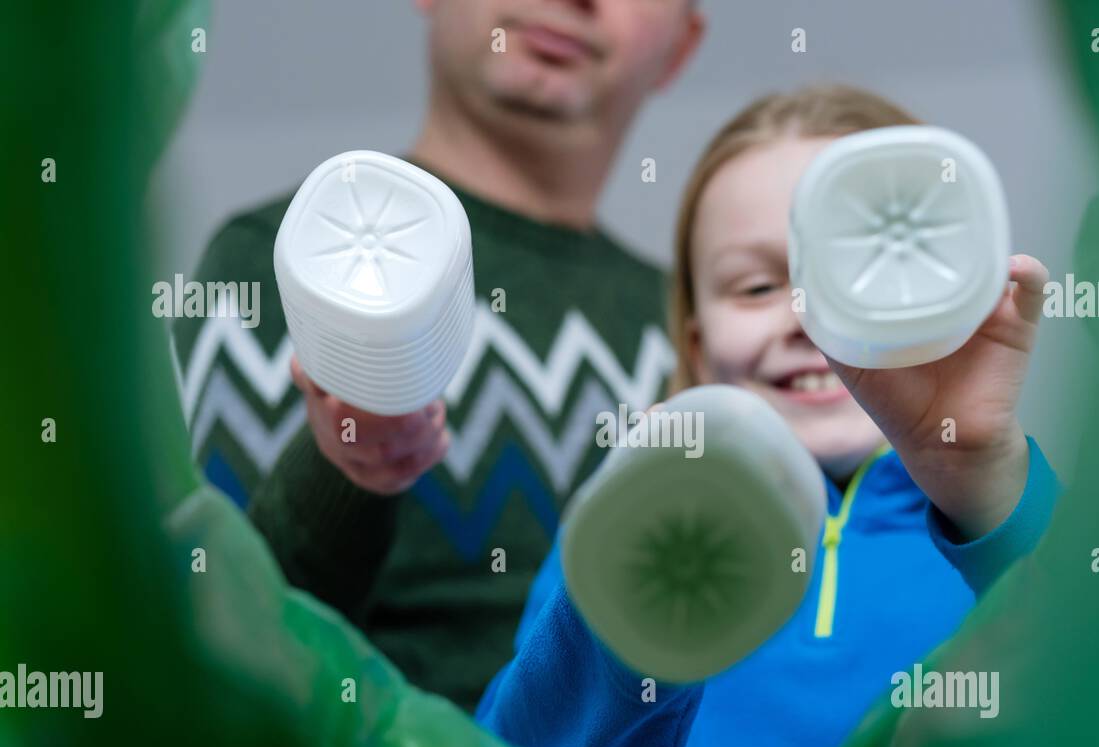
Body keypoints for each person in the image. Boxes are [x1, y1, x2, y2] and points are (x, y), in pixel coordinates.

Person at [475, 86, 1061, 747]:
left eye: (857, 276)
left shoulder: (1035, 531)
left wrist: (986, 479)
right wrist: (634, 605)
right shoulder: (621, 534)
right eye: (756, 287)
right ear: (695, 344)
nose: (809, 321)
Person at [170, 0, 705, 711]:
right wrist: (343, 467)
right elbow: (218, 667)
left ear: (679, 48)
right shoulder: (284, 268)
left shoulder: (698, 327)